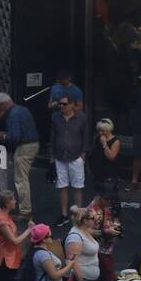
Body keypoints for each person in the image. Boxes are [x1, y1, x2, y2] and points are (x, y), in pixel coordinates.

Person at [0, 92, 41, 221]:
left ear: (2, 104)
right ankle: (25, 210)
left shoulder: (12, 115)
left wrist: (0, 135)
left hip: (24, 147)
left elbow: (15, 137)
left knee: (21, 180)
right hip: (32, 144)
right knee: (22, 178)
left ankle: (25, 212)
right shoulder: (22, 109)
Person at [51, 92, 89, 223]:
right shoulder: (56, 117)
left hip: (76, 156)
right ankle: (64, 214)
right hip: (60, 157)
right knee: (62, 186)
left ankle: (77, 213)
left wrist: (83, 155)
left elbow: (85, 136)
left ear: (73, 105)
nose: (62, 106)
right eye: (60, 104)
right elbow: (53, 137)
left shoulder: (81, 118)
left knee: (77, 186)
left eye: (65, 104)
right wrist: (52, 155)